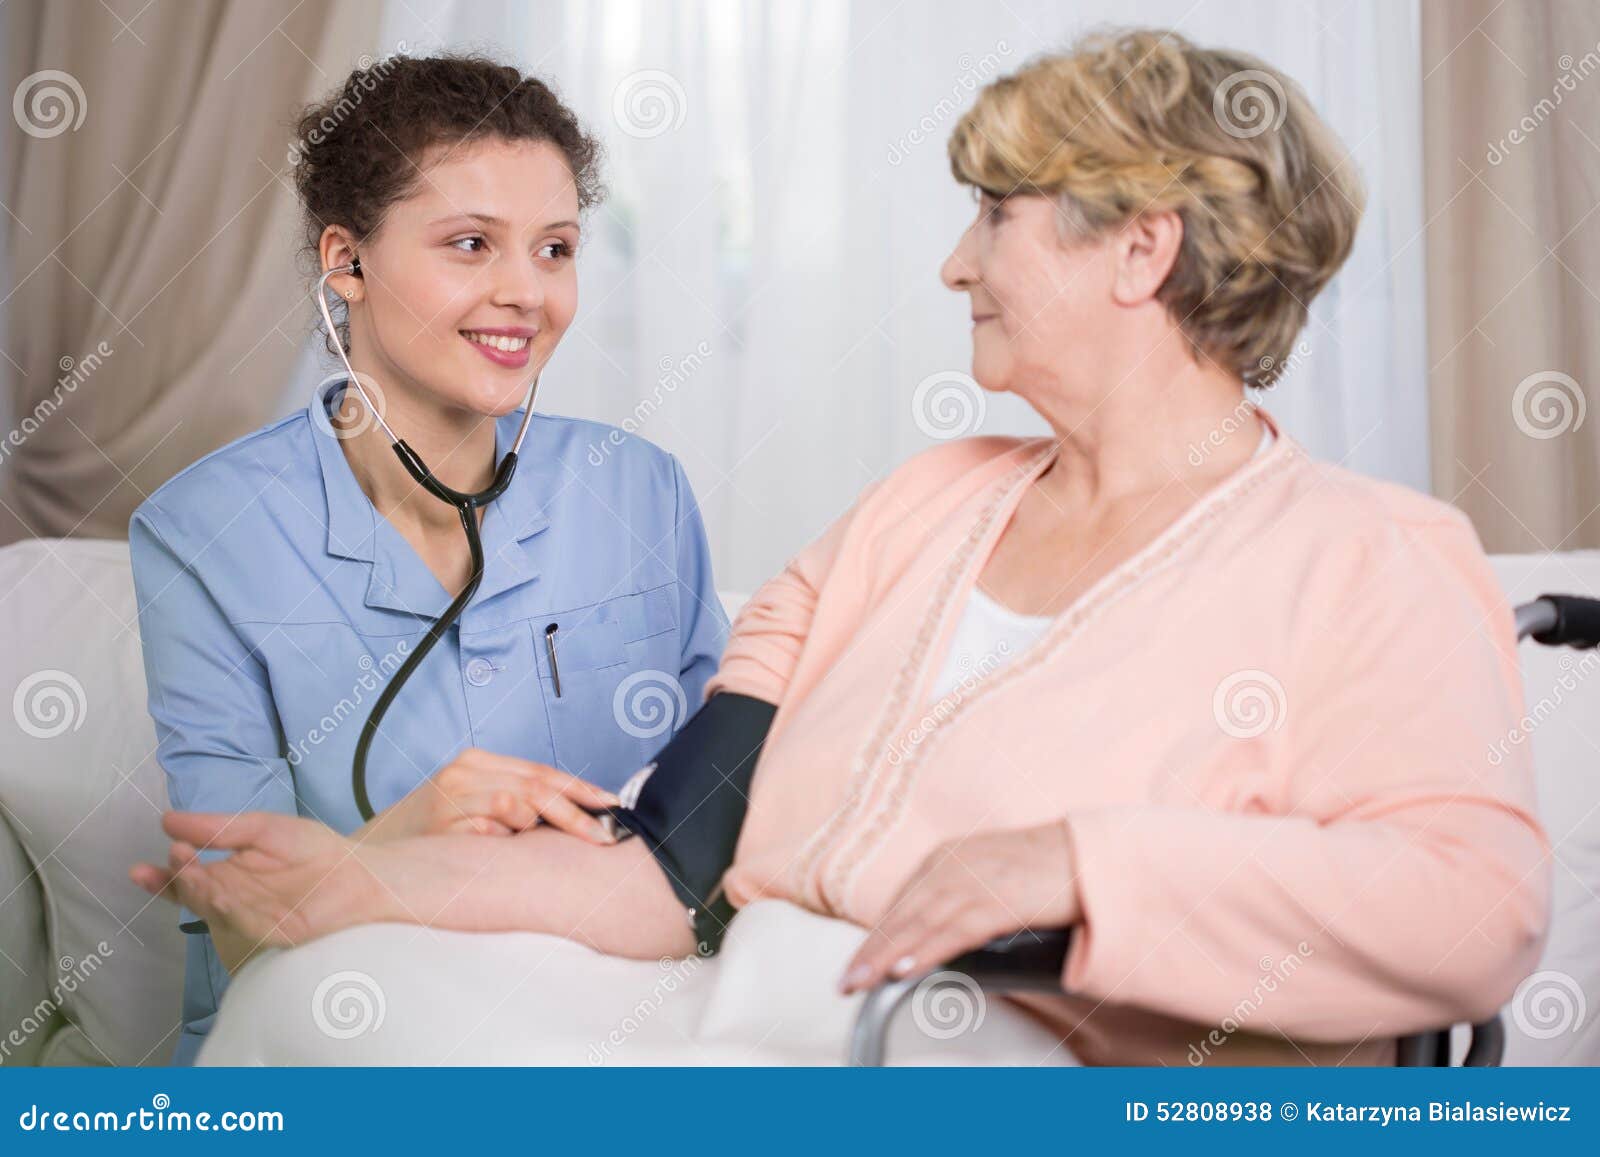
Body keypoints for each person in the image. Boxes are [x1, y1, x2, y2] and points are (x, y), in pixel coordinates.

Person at [133, 29, 1549, 1066]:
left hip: (1018, 1061)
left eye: (995, 215)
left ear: (1141, 250)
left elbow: (1475, 909)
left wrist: (1083, 864)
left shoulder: (1370, 555)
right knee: (308, 1003)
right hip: (757, 1016)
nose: (954, 262)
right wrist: (363, 880)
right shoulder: (919, 507)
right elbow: (663, 868)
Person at [127, 54, 727, 1065]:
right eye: (470, 244)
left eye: (554, 249)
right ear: (346, 263)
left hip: (622, 1016)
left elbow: (725, 827)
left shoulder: (638, 490)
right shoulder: (204, 534)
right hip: (344, 1024)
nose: (526, 293)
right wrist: (415, 827)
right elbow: (241, 931)